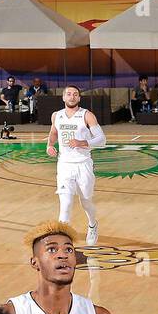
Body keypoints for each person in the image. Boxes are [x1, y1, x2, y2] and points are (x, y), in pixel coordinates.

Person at [47, 85, 106, 246]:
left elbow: (102, 139)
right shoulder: (56, 116)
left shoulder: (86, 115)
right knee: (65, 205)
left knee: (86, 202)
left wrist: (82, 142)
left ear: (79, 98)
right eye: (68, 94)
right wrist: (49, 145)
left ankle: (93, 224)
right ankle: (61, 243)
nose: (72, 97)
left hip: (84, 164)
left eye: (75, 94)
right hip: (65, 164)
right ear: (63, 97)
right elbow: (53, 133)